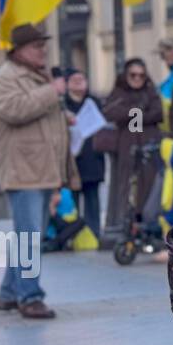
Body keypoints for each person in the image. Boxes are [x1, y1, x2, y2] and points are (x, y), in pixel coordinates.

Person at [0, 23, 79, 319]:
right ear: (19, 51)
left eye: (43, 46)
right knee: (29, 236)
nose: (42, 51)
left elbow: (37, 113)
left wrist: (62, 117)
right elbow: (14, 110)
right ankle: (29, 296)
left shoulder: (33, 77)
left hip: (40, 169)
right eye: (36, 46)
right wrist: (51, 92)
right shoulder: (6, 79)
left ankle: (9, 293)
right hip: (23, 170)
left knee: (28, 236)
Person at [101, 57, 164, 235]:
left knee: (149, 185)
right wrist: (138, 111)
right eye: (133, 75)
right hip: (126, 148)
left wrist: (134, 113)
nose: (137, 78)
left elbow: (158, 113)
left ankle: (147, 226)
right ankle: (125, 224)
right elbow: (111, 111)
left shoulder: (151, 91)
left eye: (141, 75)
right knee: (126, 186)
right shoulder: (118, 92)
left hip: (149, 148)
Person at [63, 70, 105, 241]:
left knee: (92, 199)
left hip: (92, 158)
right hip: (72, 160)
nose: (79, 83)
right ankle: (72, 235)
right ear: (67, 84)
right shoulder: (63, 104)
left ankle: (94, 233)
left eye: (82, 79)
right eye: (75, 80)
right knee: (72, 201)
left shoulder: (94, 102)